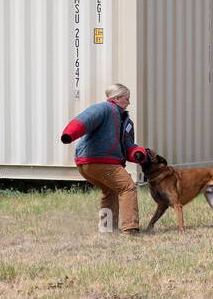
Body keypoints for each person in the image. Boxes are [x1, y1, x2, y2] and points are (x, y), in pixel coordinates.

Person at [61, 83, 148, 234]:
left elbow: (128, 145)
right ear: (117, 98)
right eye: (127, 99)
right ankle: (130, 228)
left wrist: (137, 153)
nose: (129, 102)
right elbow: (85, 119)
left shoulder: (126, 121)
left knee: (110, 191)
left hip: (88, 164)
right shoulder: (104, 108)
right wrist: (69, 134)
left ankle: (107, 229)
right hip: (100, 161)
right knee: (128, 187)